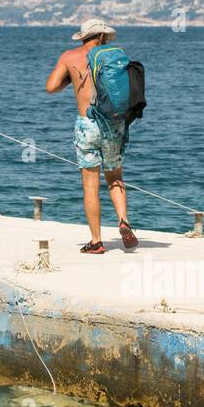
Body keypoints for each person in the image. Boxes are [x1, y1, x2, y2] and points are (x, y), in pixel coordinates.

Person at [45, 17, 137, 253]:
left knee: (90, 185)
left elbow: (51, 87)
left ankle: (96, 241)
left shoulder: (69, 56)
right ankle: (123, 220)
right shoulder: (114, 57)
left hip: (87, 125)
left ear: (84, 36)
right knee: (115, 177)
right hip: (114, 124)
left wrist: (72, 79)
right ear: (103, 36)